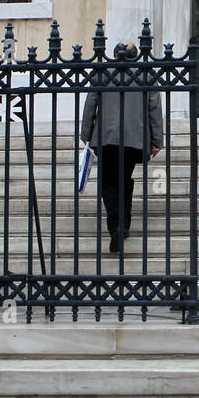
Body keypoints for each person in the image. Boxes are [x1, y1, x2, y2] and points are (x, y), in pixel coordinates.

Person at [80, 39, 163, 252]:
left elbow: (91, 103)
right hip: (134, 139)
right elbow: (154, 109)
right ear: (136, 54)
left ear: (114, 54)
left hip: (106, 138)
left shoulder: (102, 72)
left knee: (108, 182)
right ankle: (123, 225)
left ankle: (115, 224)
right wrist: (157, 141)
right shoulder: (146, 74)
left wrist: (86, 133)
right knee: (124, 180)